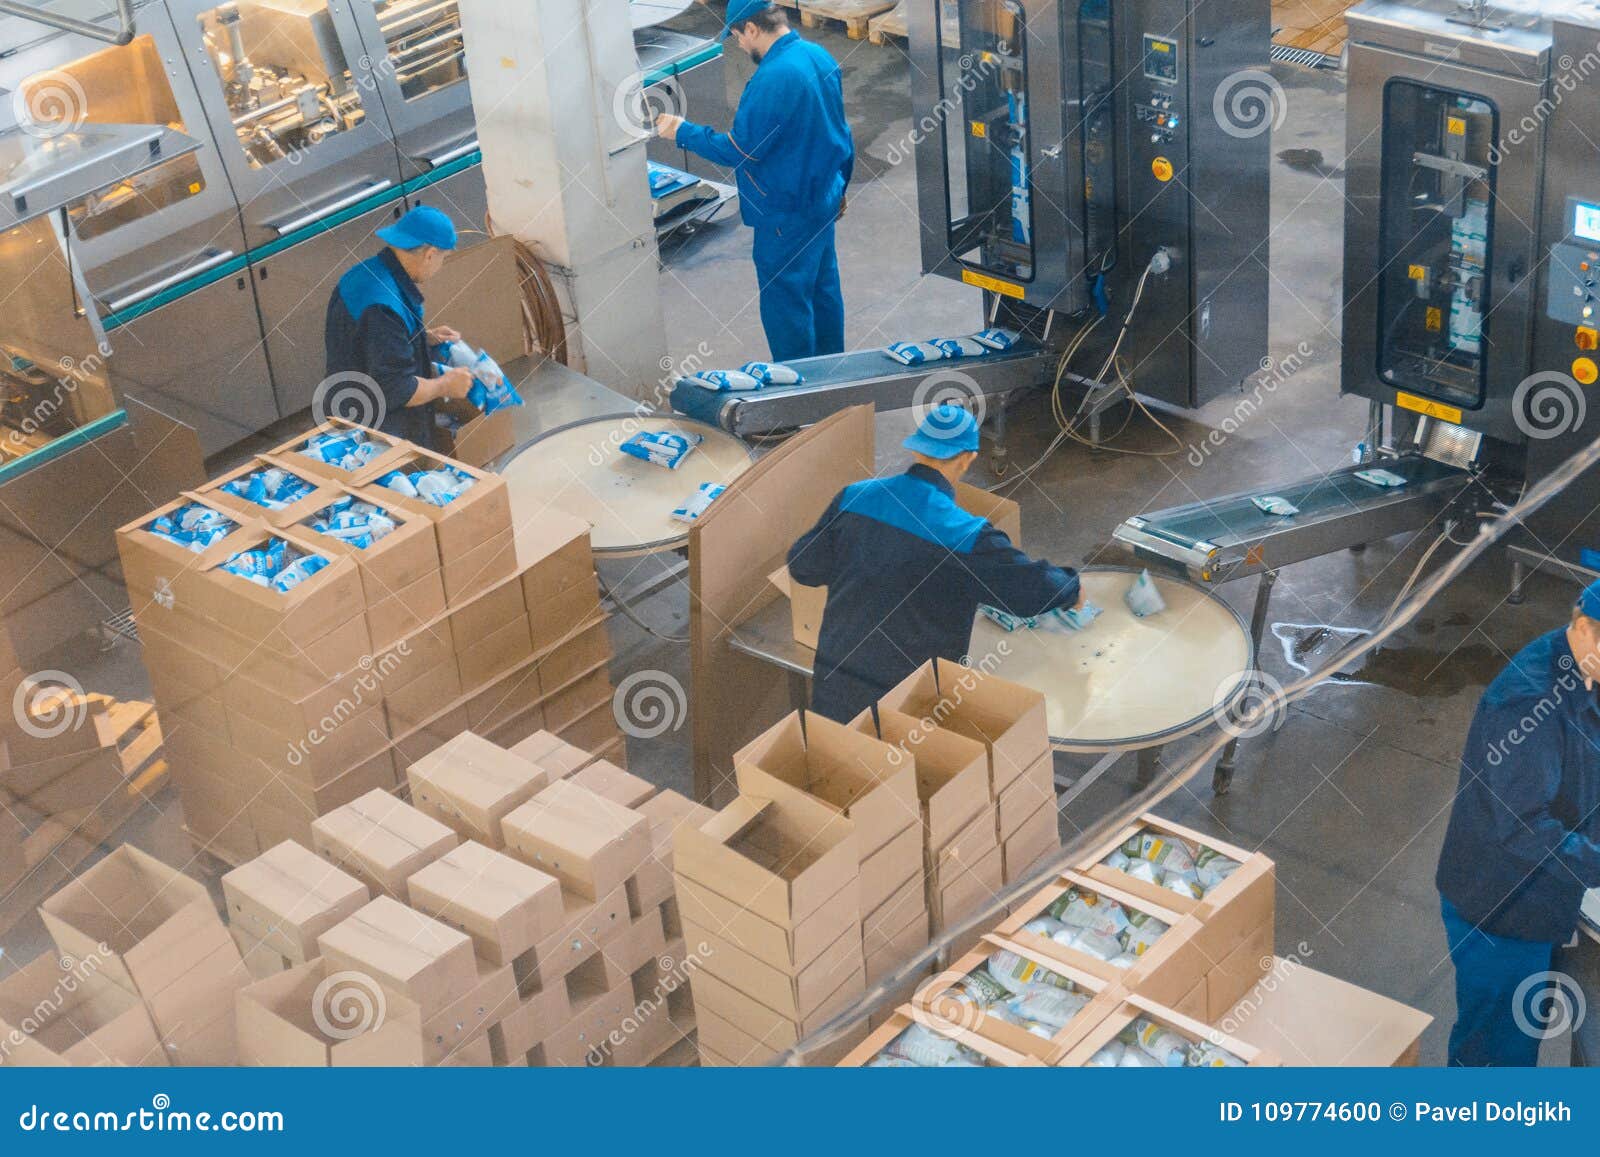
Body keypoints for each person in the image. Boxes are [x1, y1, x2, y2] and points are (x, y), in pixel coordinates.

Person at [787, 405, 1082, 723]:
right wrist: (1070, 587)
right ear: (968, 457)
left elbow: (804, 566)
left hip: (836, 678)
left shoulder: (854, 496)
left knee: (839, 765)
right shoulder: (963, 532)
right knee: (904, 770)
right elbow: (1028, 589)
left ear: (917, 448)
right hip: (908, 697)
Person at [1436, 581, 1600, 1065]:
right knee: (1496, 1053)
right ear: (1585, 628)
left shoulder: (1586, 668)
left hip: (1549, 897)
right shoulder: (1530, 702)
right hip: (1502, 909)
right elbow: (1523, 829)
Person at [654, 0, 853, 363]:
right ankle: (833, 386)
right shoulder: (818, 56)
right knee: (824, 293)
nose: (741, 47)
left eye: (737, 37)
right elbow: (841, 132)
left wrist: (682, 132)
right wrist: (842, 186)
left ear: (751, 28)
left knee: (787, 308)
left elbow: (740, 150)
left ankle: (799, 397)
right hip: (823, 199)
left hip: (784, 215)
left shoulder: (772, 79)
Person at [323, 204, 474, 449]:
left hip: (348, 400)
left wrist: (422, 337)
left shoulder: (364, 274)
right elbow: (397, 388)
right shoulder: (383, 307)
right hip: (374, 430)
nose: (439, 267)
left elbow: (370, 341)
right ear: (430, 254)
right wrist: (445, 385)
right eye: (443, 259)